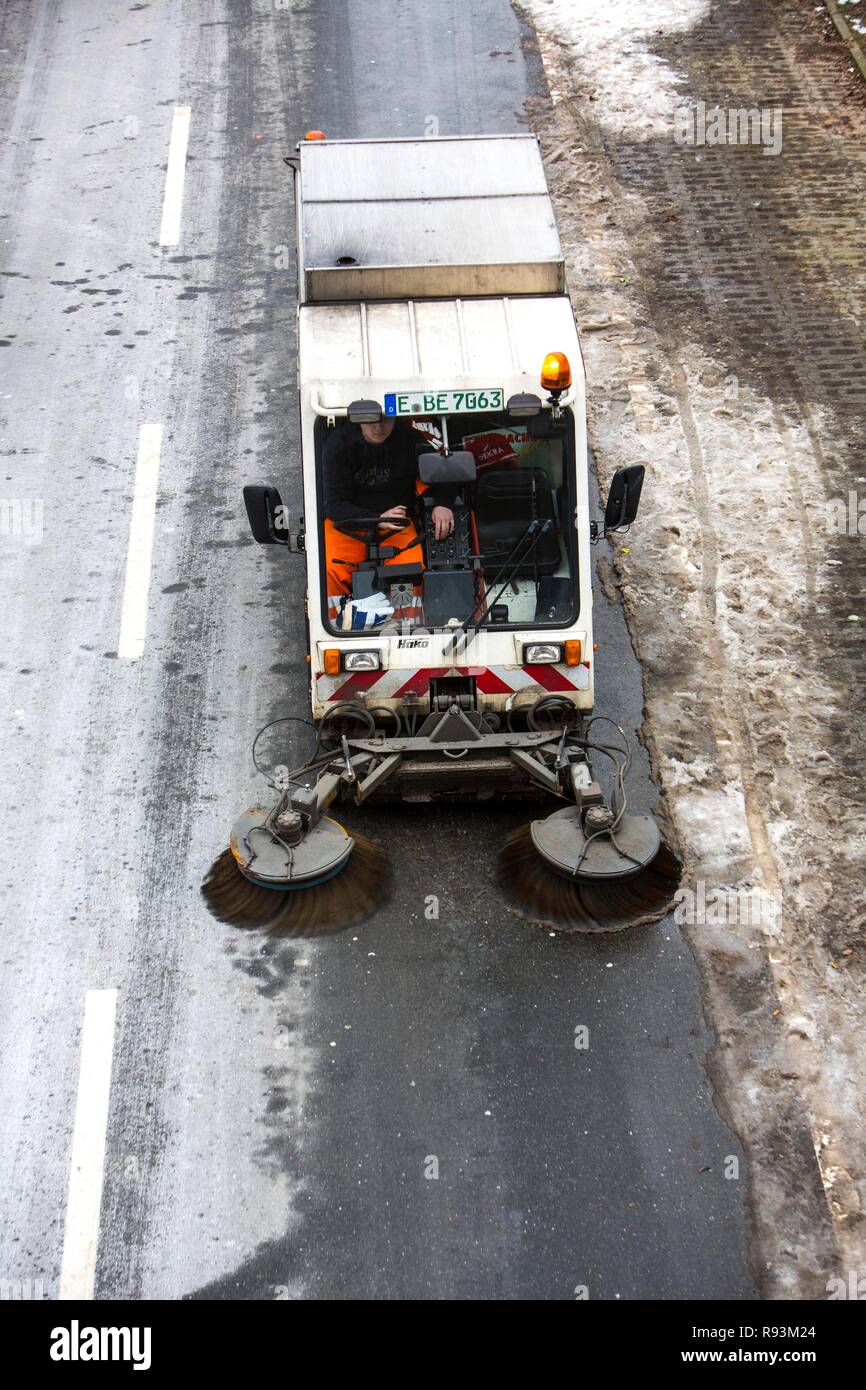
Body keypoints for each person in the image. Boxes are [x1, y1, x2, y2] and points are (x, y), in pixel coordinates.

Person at [322, 416, 455, 623]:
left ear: (395, 418)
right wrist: (377, 519)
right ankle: (335, 627)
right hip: (346, 523)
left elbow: (441, 471)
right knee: (329, 569)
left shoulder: (409, 439)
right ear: (358, 419)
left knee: (411, 568)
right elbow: (332, 504)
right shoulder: (338, 444)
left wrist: (443, 503)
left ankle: (406, 628)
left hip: (396, 524)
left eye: (385, 421)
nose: (378, 427)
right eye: (371, 421)